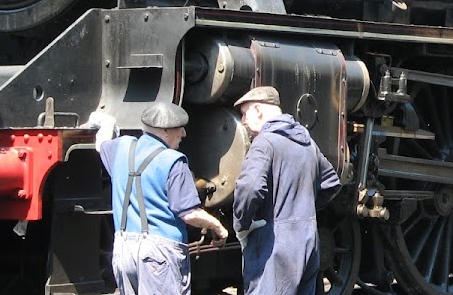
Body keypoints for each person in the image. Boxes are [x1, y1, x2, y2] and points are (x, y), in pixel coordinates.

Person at [89, 103, 228, 295]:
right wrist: (217, 225)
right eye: (179, 128)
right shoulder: (174, 161)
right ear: (164, 130)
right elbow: (189, 214)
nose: (184, 134)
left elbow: (101, 144)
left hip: (124, 249)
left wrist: (107, 122)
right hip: (159, 254)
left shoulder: (122, 147)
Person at [232, 86, 342, 295]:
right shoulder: (307, 142)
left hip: (275, 243)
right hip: (309, 240)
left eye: (245, 114)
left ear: (258, 110)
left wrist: (243, 225)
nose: (244, 121)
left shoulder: (265, 142)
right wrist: (302, 209)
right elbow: (331, 182)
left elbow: (249, 188)